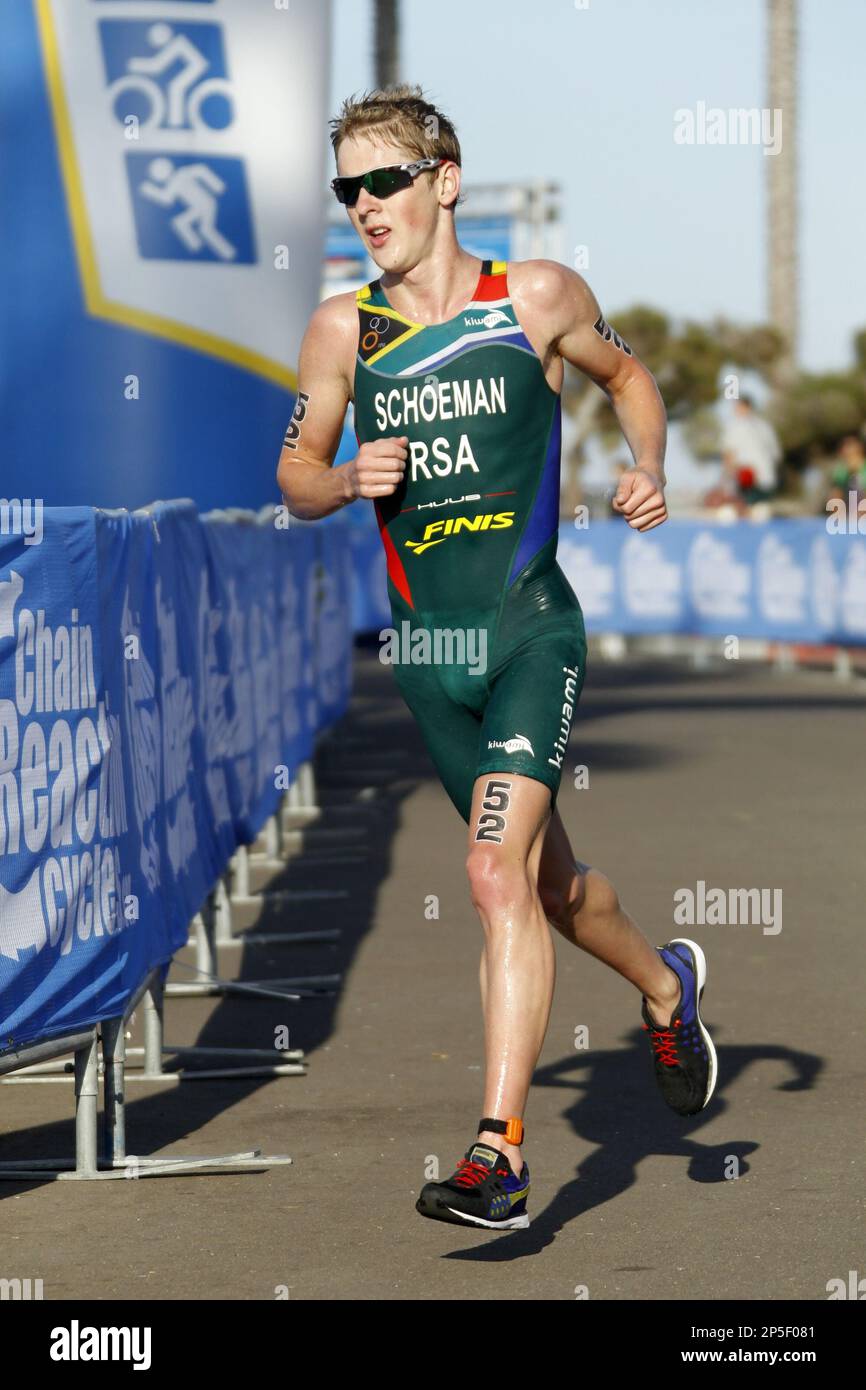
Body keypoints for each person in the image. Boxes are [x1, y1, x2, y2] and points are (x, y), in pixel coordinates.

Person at [276, 85, 718, 1232]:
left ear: (444, 179)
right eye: (348, 188)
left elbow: (628, 377)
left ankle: (497, 1156)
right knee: (551, 889)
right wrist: (340, 480)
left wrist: (648, 468)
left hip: (528, 629)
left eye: (384, 181)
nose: (365, 205)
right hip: (429, 655)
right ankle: (667, 987)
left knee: (486, 877)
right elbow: (295, 475)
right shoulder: (341, 328)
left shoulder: (533, 295)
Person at [720, 394, 782, 506]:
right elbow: (776, 456)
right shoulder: (766, 426)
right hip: (768, 481)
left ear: (743, 407)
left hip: (747, 481)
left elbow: (729, 455)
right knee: (761, 511)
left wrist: (726, 482)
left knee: (746, 512)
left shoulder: (734, 427)